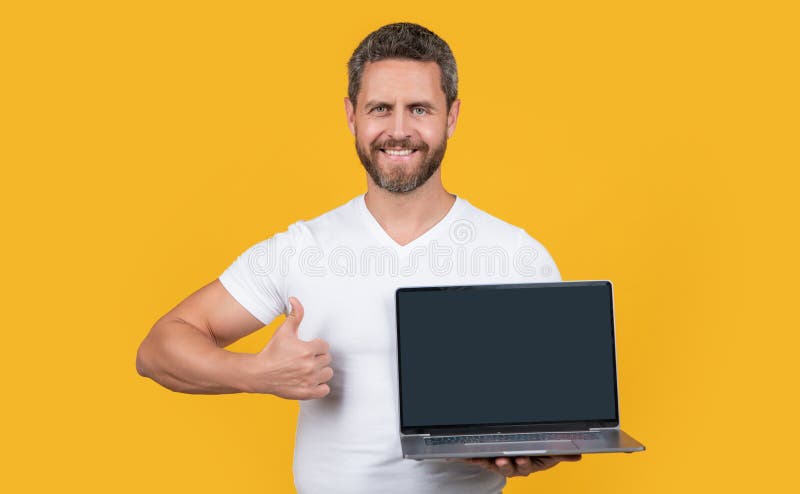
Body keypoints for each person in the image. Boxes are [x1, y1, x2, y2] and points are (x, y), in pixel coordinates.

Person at [136, 22, 581, 493]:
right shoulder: (300, 249)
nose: (399, 130)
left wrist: (530, 452)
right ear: (352, 115)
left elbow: (549, 423)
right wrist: (257, 373)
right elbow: (158, 350)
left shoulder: (515, 256)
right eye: (380, 109)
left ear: (451, 116)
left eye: (420, 109)